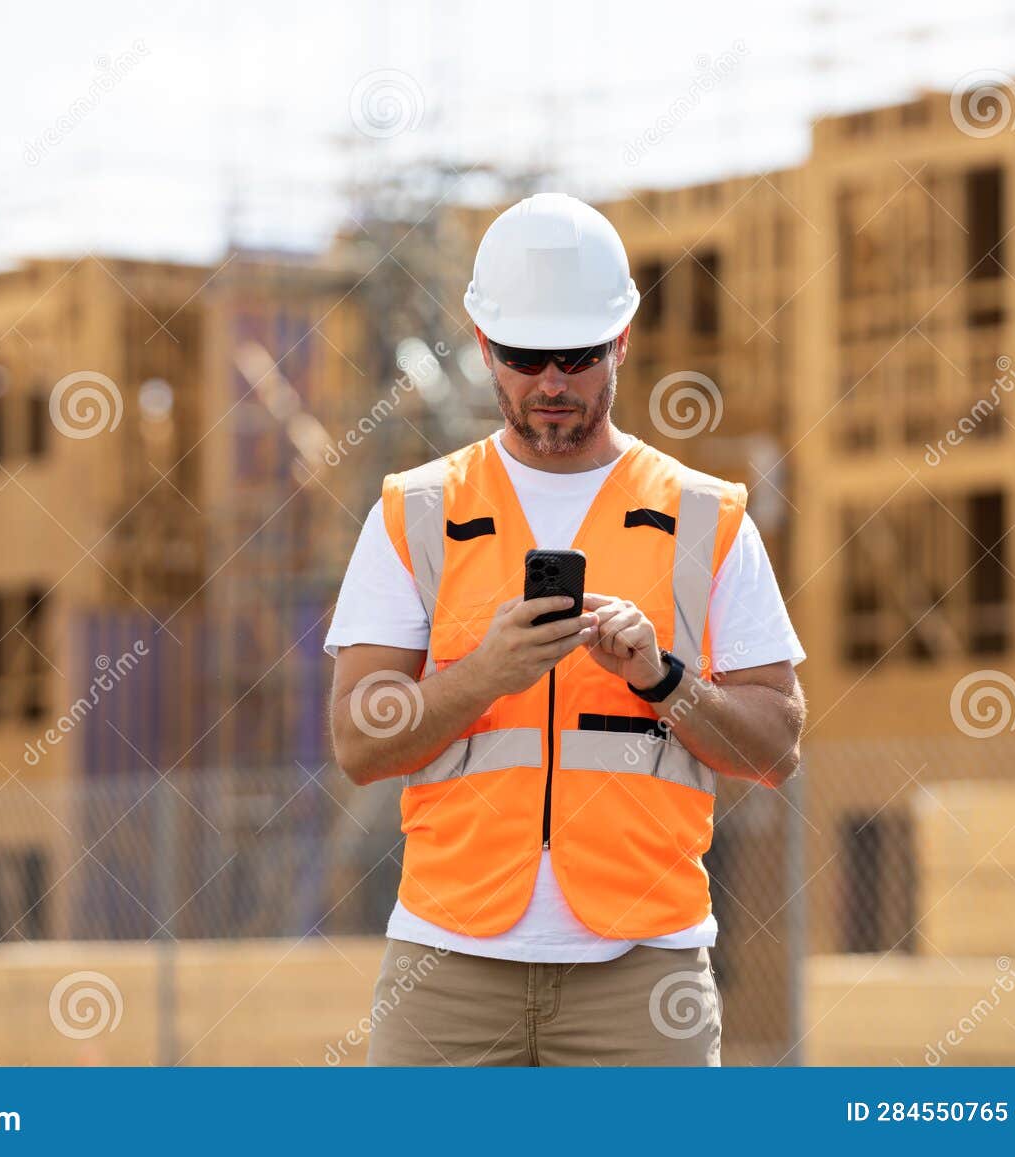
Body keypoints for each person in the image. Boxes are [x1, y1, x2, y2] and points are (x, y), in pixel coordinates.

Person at [326, 192, 806, 1066]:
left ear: (620, 341)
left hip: (644, 973)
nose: (551, 383)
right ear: (483, 347)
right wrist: (483, 673)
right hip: (446, 967)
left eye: (577, 357)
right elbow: (358, 742)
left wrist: (664, 678)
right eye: (524, 356)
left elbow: (777, 745)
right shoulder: (417, 513)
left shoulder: (706, 518)